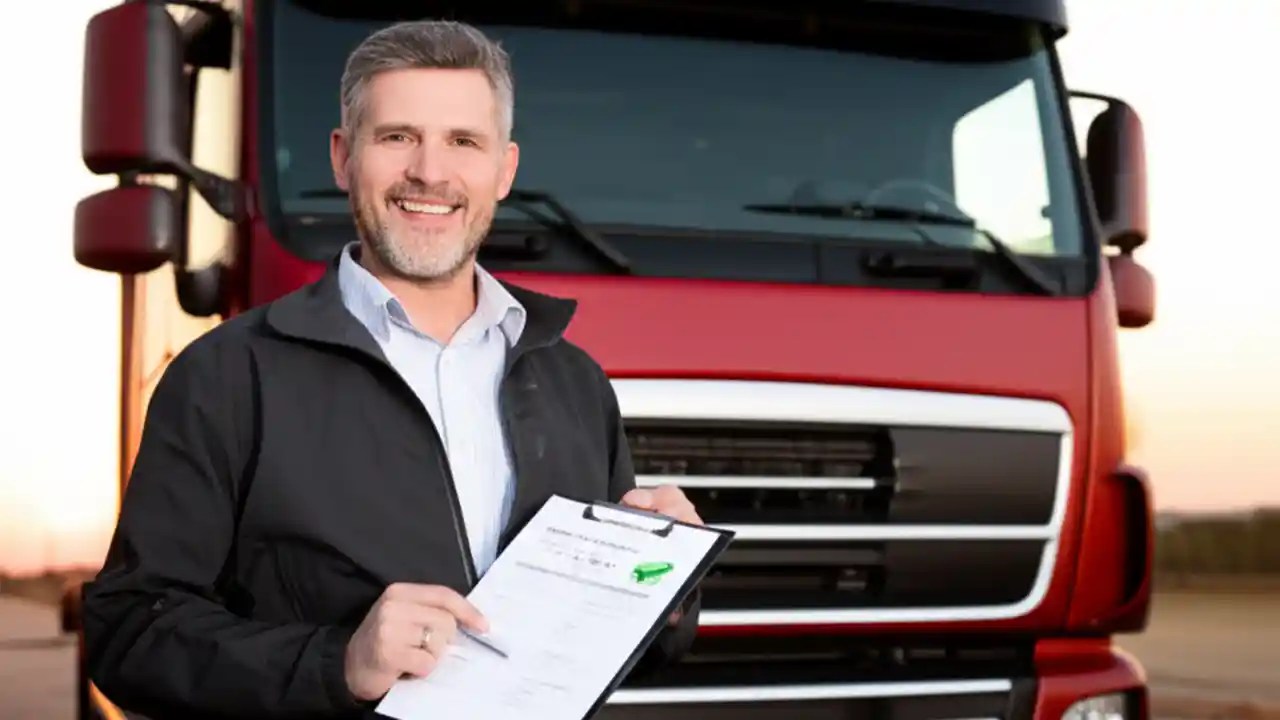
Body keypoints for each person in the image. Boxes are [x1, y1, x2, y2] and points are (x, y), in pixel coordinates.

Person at [81, 19, 704, 719]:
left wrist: (667, 580)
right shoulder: (227, 375)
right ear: (343, 158)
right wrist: (339, 663)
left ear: (504, 170)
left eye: (463, 142)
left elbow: (619, 646)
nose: (430, 172)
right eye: (398, 136)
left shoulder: (575, 381)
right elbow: (129, 632)